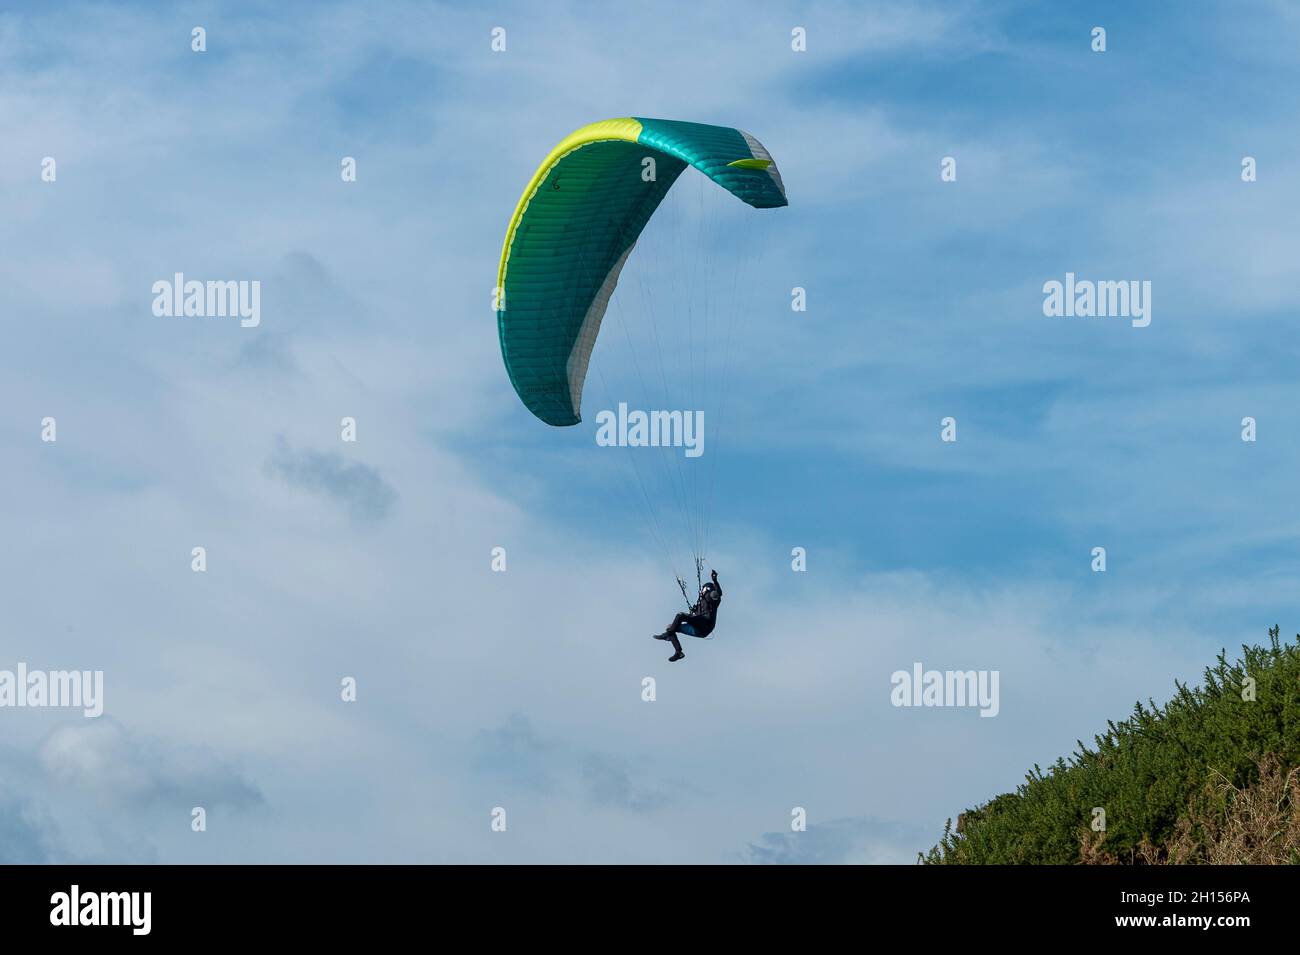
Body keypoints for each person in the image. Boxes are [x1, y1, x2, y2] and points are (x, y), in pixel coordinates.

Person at [653, 570, 721, 662]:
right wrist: (695, 611)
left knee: (680, 616)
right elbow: (695, 617)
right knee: (671, 627)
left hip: (705, 624)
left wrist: (715, 581)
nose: (702, 592)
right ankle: (678, 652)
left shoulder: (712, 598)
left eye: (703, 590)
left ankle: (668, 635)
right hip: (699, 630)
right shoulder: (700, 603)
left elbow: (718, 593)